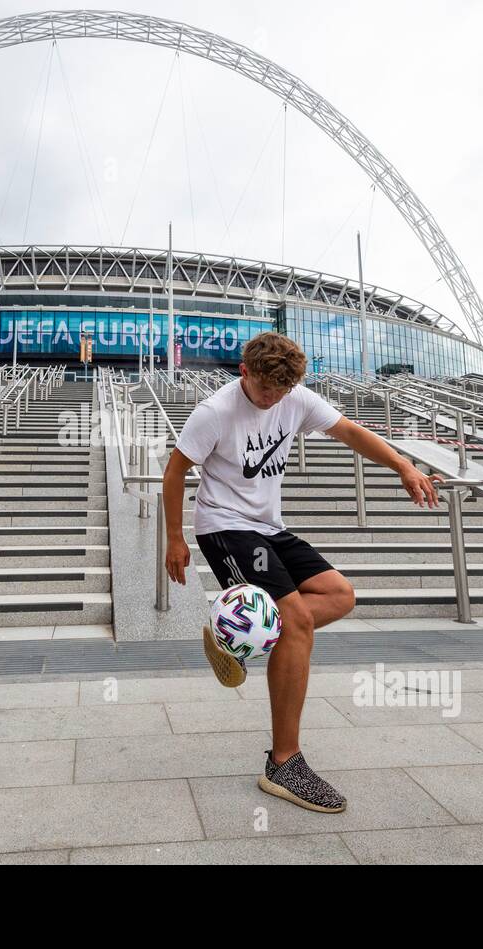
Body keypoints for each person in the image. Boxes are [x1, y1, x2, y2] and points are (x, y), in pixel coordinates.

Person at [162, 331, 441, 813]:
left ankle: (237, 632)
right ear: (244, 372)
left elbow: (351, 431)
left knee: (339, 595)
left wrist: (402, 466)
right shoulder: (214, 412)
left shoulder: (295, 397)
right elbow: (175, 471)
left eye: (283, 392)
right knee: (298, 622)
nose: (274, 400)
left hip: (270, 529)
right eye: (267, 390)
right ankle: (283, 763)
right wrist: (175, 538)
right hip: (225, 528)